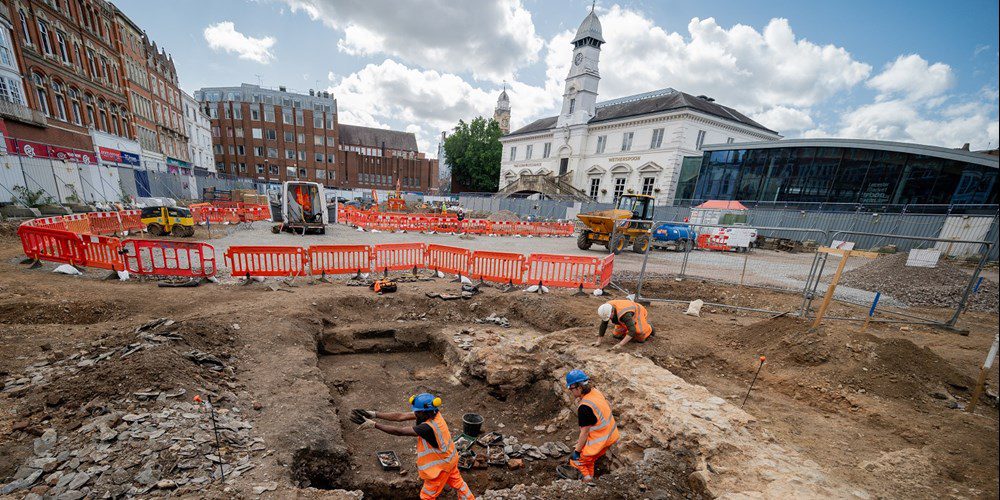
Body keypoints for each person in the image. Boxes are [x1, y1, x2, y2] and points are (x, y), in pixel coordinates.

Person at [352, 394, 475, 500]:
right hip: (450, 458)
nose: (415, 413)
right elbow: (400, 416)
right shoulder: (433, 413)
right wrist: (374, 414)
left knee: (427, 496)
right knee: (458, 483)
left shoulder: (427, 427)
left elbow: (399, 431)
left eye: (417, 411)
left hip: (440, 468)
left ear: (425, 411)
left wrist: (374, 425)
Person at [557, 369, 620, 483]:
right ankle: (589, 477)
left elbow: (584, 433)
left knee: (578, 461)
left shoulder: (585, 407)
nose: (571, 391)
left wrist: (576, 451)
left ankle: (586, 483)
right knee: (588, 461)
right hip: (611, 435)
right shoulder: (595, 392)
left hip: (600, 440)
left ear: (579, 387)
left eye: (571, 388)